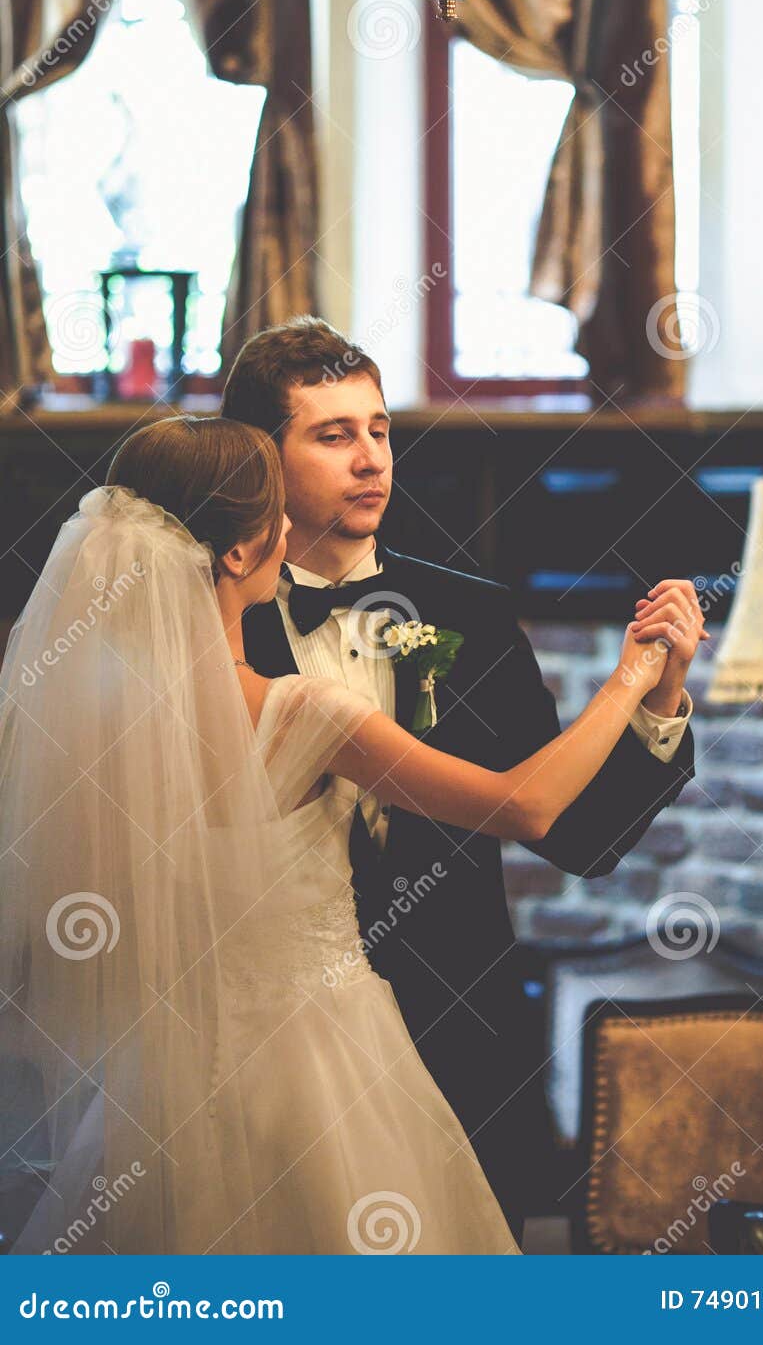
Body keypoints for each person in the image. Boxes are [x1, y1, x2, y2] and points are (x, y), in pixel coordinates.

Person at [0, 418, 694, 1255]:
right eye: (276, 513)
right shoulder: (303, 708)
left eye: (379, 431)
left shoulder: (82, 716)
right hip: (320, 1066)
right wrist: (633, 676)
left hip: (151, 1088)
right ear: (234, 552)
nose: (289, 528)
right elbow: (527, 805)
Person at [222, 318, 703, 1232]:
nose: (370, 460)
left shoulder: (468, 616)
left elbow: (575, 836)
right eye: (333, 436)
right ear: (261, 459)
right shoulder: (214, 626)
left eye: (379, 431)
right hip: (261, 1039)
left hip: (458, 1028)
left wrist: (659, 703)